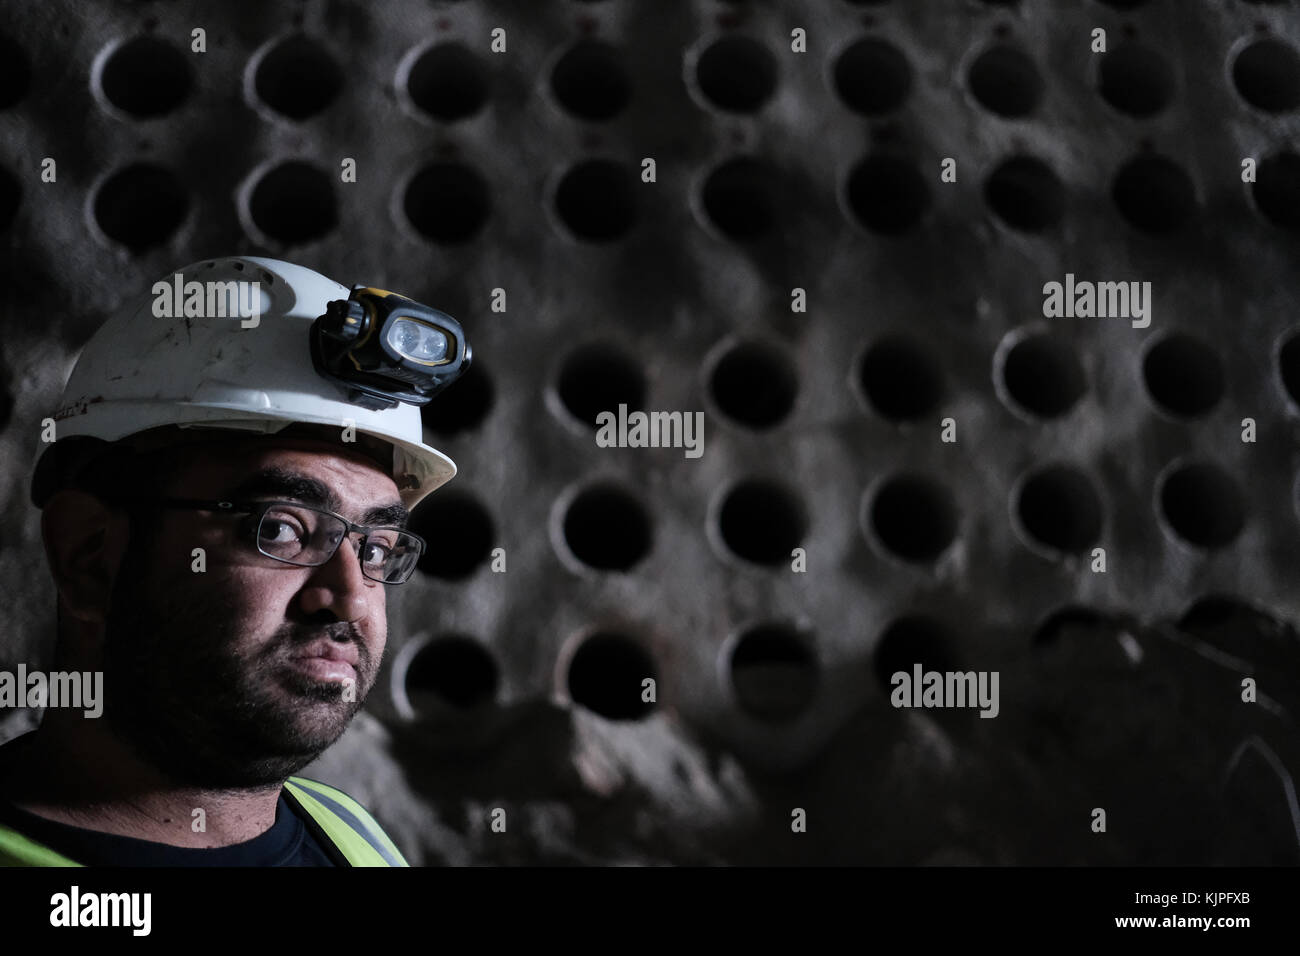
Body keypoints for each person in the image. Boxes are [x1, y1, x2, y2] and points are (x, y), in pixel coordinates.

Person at [0, 256, 472, 866]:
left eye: (374, 548)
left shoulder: (349, 836)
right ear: (87, 554)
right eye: (279, 529)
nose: (350, 597)